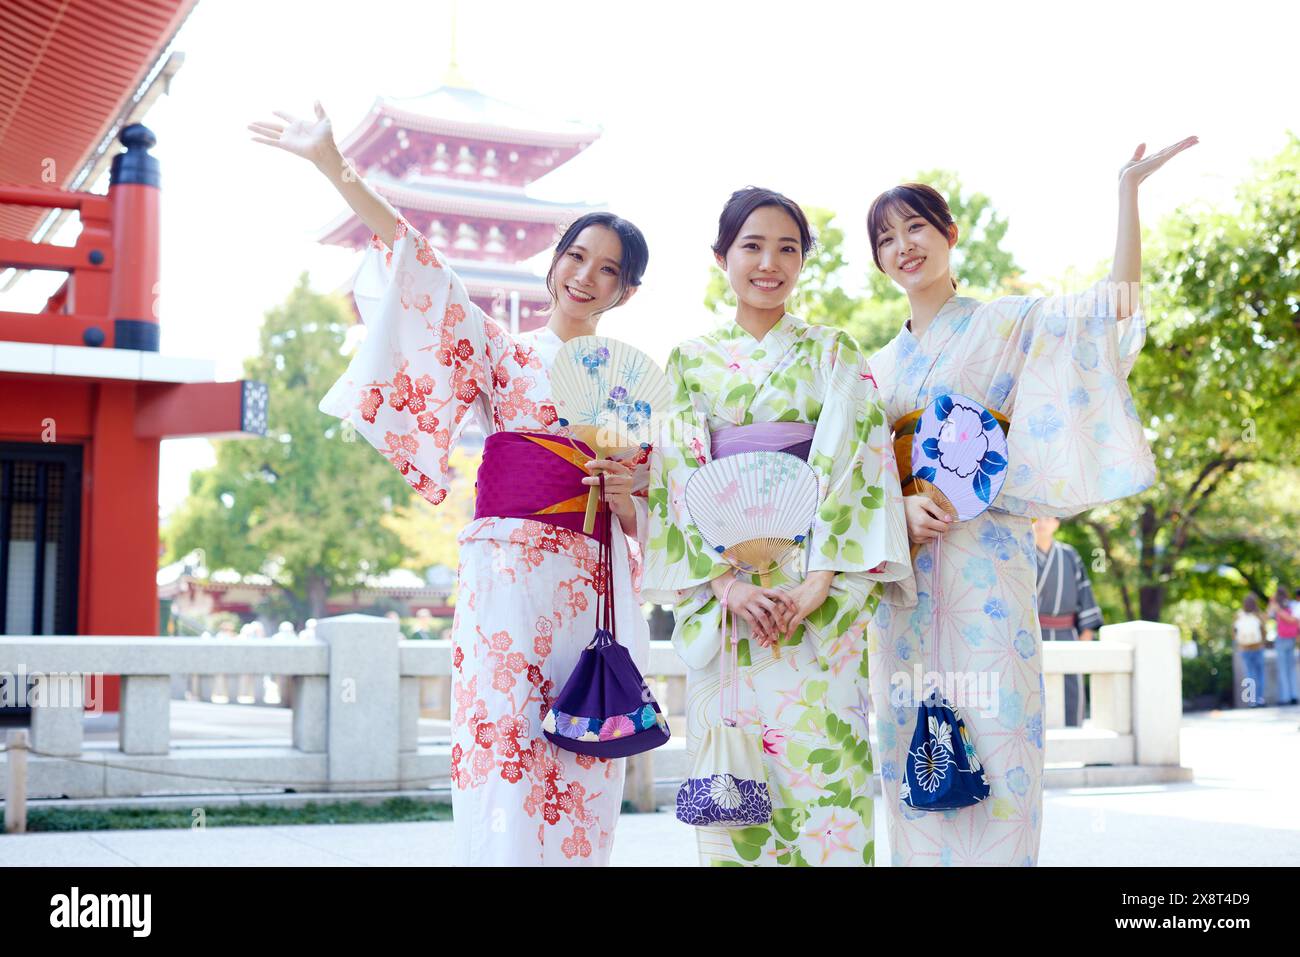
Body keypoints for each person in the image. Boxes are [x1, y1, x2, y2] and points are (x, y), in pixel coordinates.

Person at [250, 101, 652, 865]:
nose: (585, 276)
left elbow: (652, 516)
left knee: (586, 753)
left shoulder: (634, 390)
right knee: (503, 741)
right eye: (577, 255)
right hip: (506, 577)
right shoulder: (502, 350)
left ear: (625, 293)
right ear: (554, 260)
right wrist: (334, 164)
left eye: (609, 270)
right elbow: (416, 259)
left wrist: (627, 491)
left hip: (589, 581)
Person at [864, 136, 1198, 866]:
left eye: (916, 226)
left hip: (987, 569)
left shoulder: (1006, 324)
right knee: (910, 760)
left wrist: (1127, 194)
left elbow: (1109, 316)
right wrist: (895, 511)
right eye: (886, 238)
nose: (903, 246)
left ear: (950, 233)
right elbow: (852, 481)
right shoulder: (874, 368)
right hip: (905, 586)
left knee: (999, 744)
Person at [643, 187, 912, 867]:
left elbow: (858, 464)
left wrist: (822, 578)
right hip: (731, 604)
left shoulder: (835, 351)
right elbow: (676, 476)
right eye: (752, 246)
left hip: (815, 604)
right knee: (738, 806)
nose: (770, 262)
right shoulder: (689, 361)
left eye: (787, 248)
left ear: (803, 261)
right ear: (721, 257)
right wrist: (725, 585)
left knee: (828, 792)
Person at [1032, 516, 1103, 727]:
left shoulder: (1069, 555)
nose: (1042, 522)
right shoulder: (1020, 553)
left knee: (1072, 687)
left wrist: (1086, 634)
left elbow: (1084, 591)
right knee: (1033, 690)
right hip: (1032, 633)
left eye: (1048, 517)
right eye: (1037, 517)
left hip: (1067, 633)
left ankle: (1074, 732)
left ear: (1056, 523)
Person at [1235, 593, 1268, 707]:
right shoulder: (1258, 615)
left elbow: (1234, 632)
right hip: (1257, 647)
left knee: (1249, 675)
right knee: (1260, 674)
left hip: (1244, 648)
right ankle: (1260, 699)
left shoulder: (1239, 615)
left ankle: (1251, 701)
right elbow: (1264, 631)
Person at [1267, 586, 1297, 705]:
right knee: (1291, 668)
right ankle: (1294, 695)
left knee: (1283, 669)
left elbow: (1268, 615)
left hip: (1282, 638)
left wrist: (1272, 602)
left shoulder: (1277, 606)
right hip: (1292, 638)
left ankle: (1285, 697)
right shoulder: (1291, 604)